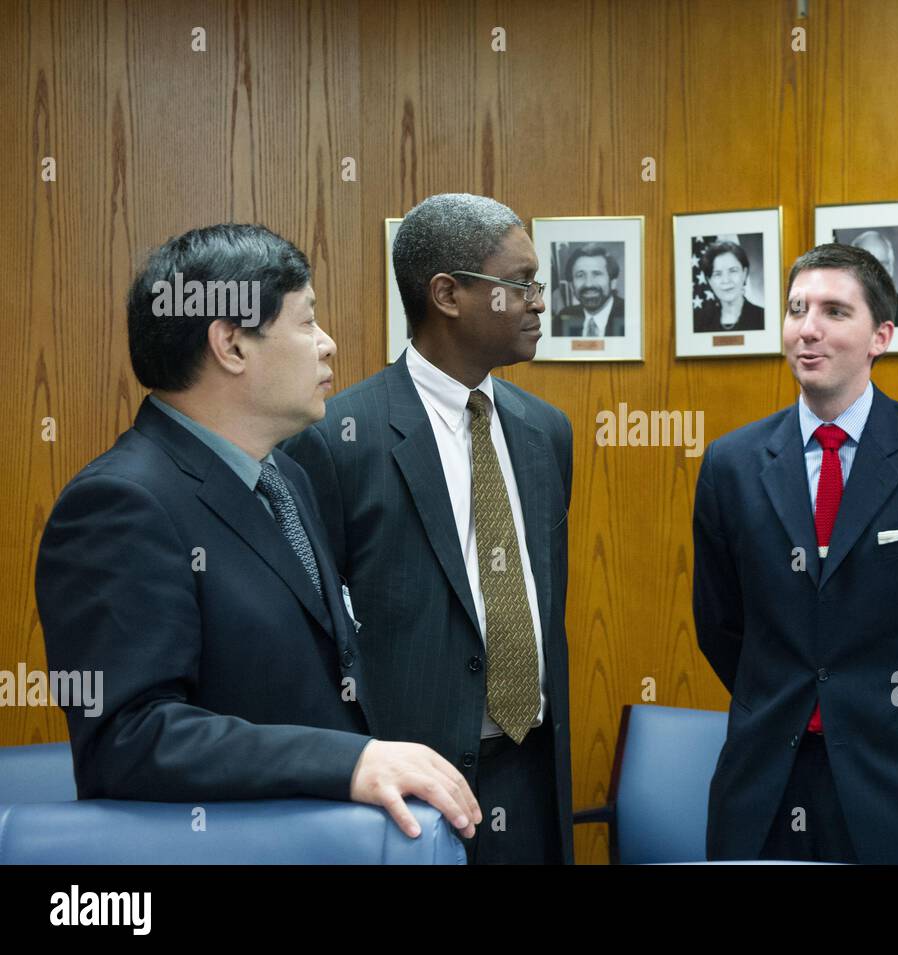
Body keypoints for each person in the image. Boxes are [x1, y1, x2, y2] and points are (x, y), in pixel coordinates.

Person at [35, 224, 481, 841]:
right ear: (232, 345)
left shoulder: (285, 474)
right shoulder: (119, 504)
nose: (327, 345)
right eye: (306, 322)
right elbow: (128, 738)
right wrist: (345, 761)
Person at [693, 243, 898, 863]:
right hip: (768, 778)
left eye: (835, 311)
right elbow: (721, 624)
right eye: (796, 309)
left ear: (881, 336)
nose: (807, 328)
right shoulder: (731, 463)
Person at [281, 194, 574, 864]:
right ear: (446, 293)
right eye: (520, 283)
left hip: (532, 775)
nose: (538, 300)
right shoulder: (335, 440)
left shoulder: (546, 432)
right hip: (406, 793)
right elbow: (314, 639)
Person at [551, 243, 624, 337]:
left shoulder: (629, 315)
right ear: (571, 285)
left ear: (613, 282)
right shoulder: (563, 318)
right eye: (580, 275)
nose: (588, 284)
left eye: (597, 274)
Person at [693, 240, 765, 332]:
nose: (726, 280)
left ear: (744, 273)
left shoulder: (762, 317)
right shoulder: (699, 322)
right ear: (709, 280)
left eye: (733, 271)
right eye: (717, 274)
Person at [849, 230, 898, 326]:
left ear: (891, 266)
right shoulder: (840, 307)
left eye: (884, 263)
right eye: (868, 265)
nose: (877, 271)